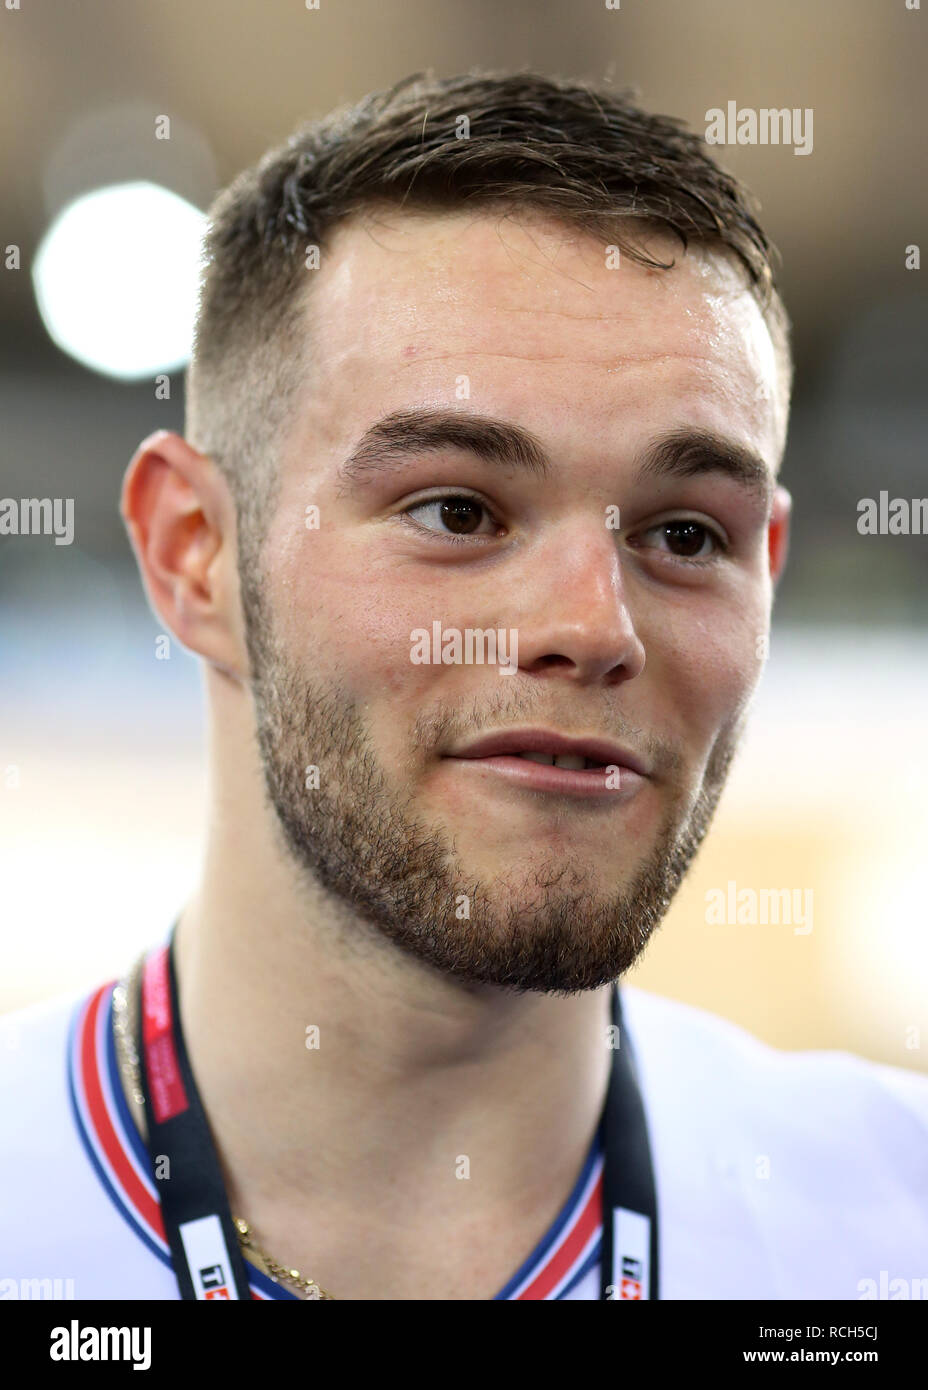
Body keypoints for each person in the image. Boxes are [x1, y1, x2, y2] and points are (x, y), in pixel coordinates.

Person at [2, 70, 925, 1302]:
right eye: (456, 509)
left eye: (686, 534)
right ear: (194, 554)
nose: (594, 629)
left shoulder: (888, 1227)